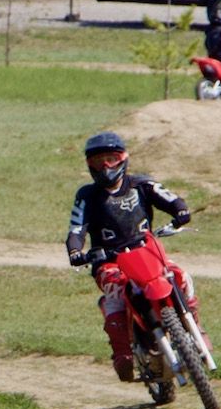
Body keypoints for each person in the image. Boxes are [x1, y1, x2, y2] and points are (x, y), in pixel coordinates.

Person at [65, 132, 197, 382]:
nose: (106, 166)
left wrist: (181, 211)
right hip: (109, 260)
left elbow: (170, 199)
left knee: (180, 276)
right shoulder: (87, 196)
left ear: (123, 159)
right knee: (115, 290)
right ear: (89, 165)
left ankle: (195, 329)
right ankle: (122, 353)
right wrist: (75, 251)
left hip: (147, 252)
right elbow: (76, 228)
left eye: (111, 159)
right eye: (99, 161)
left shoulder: (142, 185)